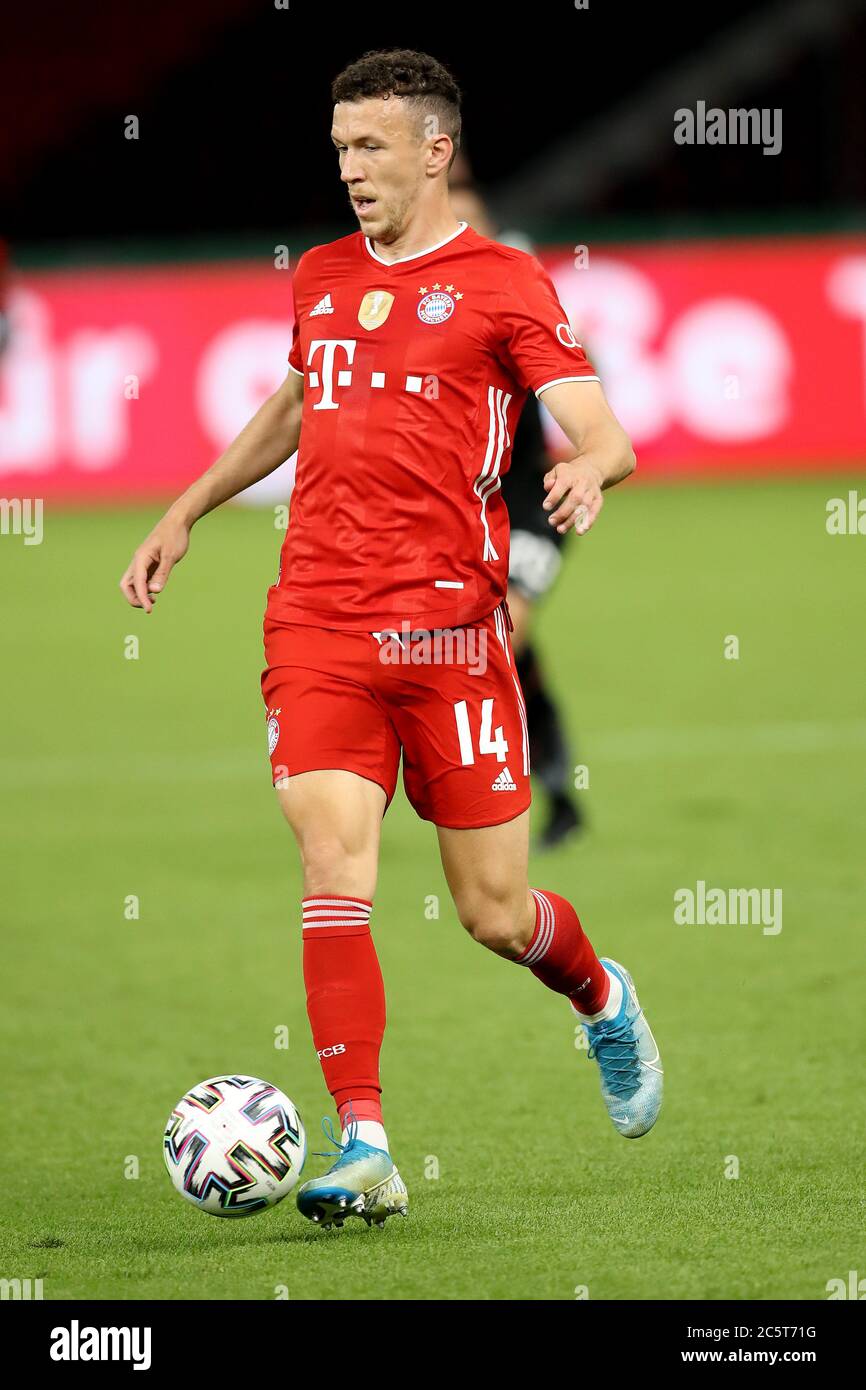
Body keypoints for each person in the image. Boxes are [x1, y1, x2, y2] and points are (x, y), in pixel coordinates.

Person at [120, 48, 662, 1232]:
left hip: (455, 641)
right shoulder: (318, 275)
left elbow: (598, 427)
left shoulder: (503, 283)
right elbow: (297, 398)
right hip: (316, 620)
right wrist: (188, 505)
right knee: (334, 866)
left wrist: (593, 472)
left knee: (493, 914)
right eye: (338, 149)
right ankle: (362, 1140)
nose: (350, 169)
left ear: (433, 149)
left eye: (370, 147)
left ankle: (600, 994)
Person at [448, 171, 585, 849]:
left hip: (532, 505)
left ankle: (510, 791)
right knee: (495, 647)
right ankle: (559, 787)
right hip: (463, 513)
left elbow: (583, 383)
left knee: (505, 637)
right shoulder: (426, 310)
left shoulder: (520, 300)